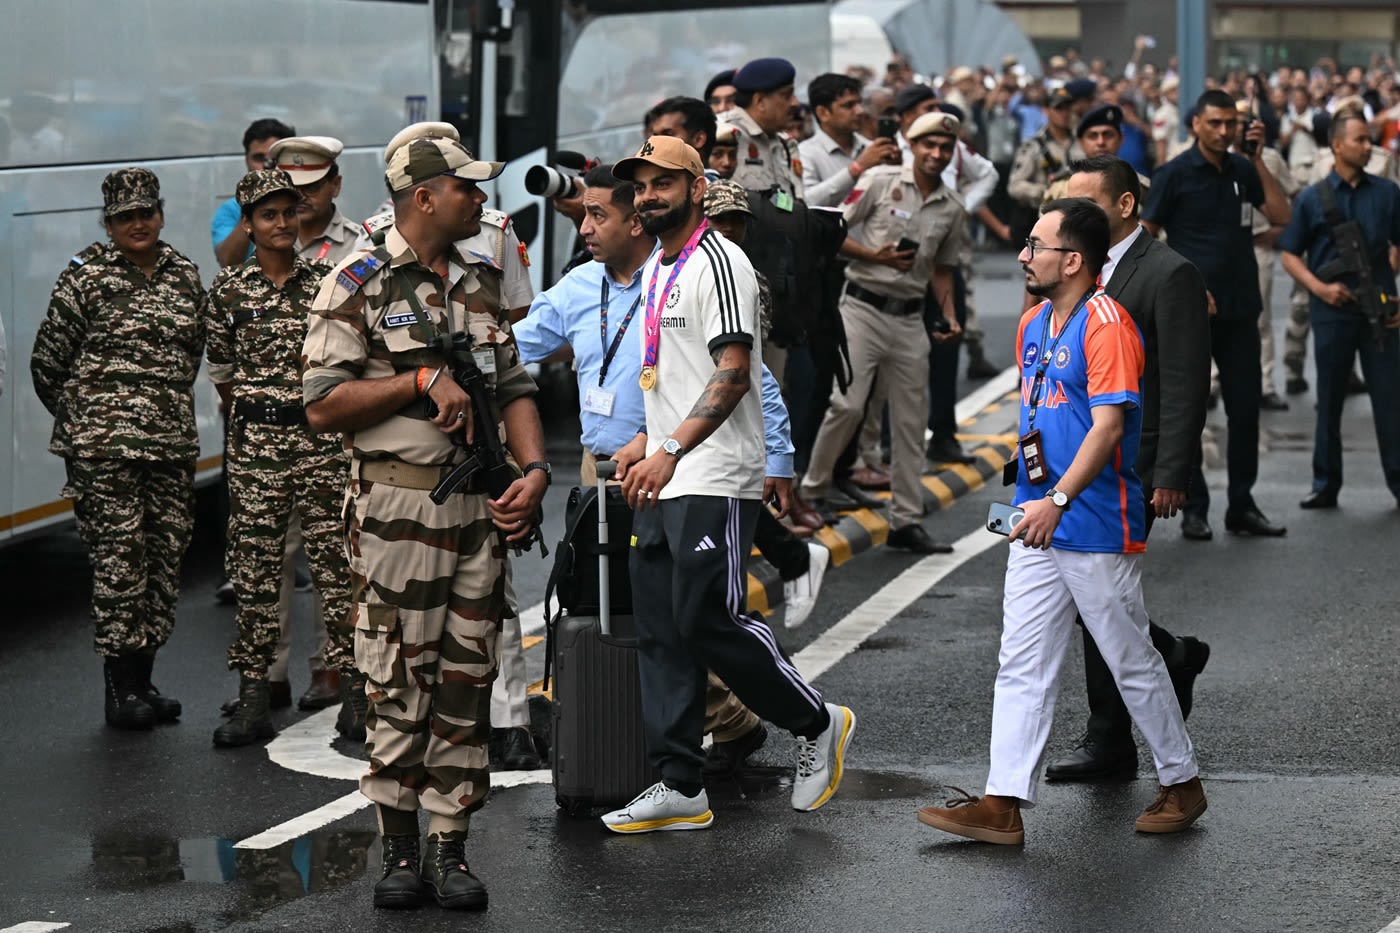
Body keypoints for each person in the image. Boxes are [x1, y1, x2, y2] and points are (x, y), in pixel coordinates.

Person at [302, 125, 549, 910]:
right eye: (469, 187)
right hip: (398, 508)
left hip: (478, 506)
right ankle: (399, 849)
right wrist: (416, 382)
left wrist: (536, 471)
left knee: (467, 677)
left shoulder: (479, 280)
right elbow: (321, 403)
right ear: (424, 196)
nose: (481, 198)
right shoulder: (358, 280)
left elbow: (513, 387)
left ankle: (452, 849)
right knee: (398, 675)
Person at [917, 199, 1206, 845]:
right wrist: (1026, 498)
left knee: (1128, 655)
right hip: (1039, 518)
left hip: (1094, 521)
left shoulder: (1107, 325)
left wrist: (1059, 500)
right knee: (1021, 658)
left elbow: (1107, 427)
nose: (1022, 254)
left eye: (1035, 244)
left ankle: (1182, 781)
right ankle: (1003, 801)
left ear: (1072, 260)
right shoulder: (1034, 323)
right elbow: (1037, 417)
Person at [599, 136, 855, 833]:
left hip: (711, 473)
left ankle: (817, 720)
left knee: (707, 618)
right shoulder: (660, 265)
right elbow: (672, 376)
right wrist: (644, 440)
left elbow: (734, 370)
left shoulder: (720, 260)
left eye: (662, 183)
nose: (648, 195)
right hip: (664, 471)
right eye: (641, 185)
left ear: (696, 186)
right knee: (660, 629)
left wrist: (672, 448)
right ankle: (680, 781)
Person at [1045, 156, 1214, 781]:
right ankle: (1169, 656)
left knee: (1102, 601)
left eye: (1084, 206)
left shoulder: (1169, 274)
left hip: (1133, 466)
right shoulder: (1073, 272)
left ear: (1123, 206)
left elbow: (1183, 379)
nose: (1072, 219)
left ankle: (1110, 741)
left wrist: (1173, 471)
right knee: (1099, 601)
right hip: (1076, 465)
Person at [30, 168, 206, 730]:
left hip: (170, 445)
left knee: (164, 558)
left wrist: (157, 410)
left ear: (160, 213)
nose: (138, 223)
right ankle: (119, 688)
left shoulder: (184, 275)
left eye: (146, 212)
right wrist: (92, 423)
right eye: (125, 216)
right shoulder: (83, 278)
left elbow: (192, 355)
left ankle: (145, 679)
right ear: (109, 223)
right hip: (103, 453)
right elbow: (48, 364)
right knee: (119, 564)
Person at [203, 170, 359, 748]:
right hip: (256, 454)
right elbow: (223, 375)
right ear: (248, 223)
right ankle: (253, 699)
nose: (281, 223)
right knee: (257, 573)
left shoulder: (326, 283)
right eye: (268, 215)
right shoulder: (226, 292)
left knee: (337, 571)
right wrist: (260, 419)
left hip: (321, 447)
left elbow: (347, 363)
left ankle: (356, 696)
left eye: (289, 213)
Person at [798, 112, 965, 555]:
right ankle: (812, 490)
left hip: (911, 318)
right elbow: (831, 232)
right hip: (862, 307)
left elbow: (943, 269)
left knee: (911, 424)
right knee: (847, 405)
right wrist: (877, 256)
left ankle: (906, 521)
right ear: (912, 144)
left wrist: (947, 313)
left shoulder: (952, 206)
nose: (936, 154)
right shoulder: (877, 179)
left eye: (945, 148)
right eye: (928, 145)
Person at [1142, 89, 1292, 541]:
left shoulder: (1243, 169)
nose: (1225, 131)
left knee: (1245, 412)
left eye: (1231, 123)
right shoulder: (1173, 174)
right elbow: (1145, 237)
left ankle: (1242, 505)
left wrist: (1259, 158)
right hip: (1190, 313)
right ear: (1196, 125)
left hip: (1242, 308)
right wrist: (1183, 286)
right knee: (1188, 411)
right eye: (1215, 124)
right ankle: (1194, 505)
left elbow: (1282, 213)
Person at [1279, 109, 1400, 509]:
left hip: (1381, 310)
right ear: (1336, 145)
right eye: (1361, 140)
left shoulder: (1387, 192)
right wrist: (1320, 289)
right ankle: (1325, 483)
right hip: (1332, 310)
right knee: (1329, 399)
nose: (1369, 147)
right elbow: (1290, 254)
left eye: (1370, 140)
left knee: (1390, 399)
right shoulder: (1314, 198)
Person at [798, 72, 899, 208]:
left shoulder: (872, 149)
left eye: (859, 103)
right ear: (823, 113)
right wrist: (856, 169)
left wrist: (896, 167)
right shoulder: (805, 153)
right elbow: (807, 202)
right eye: (848, 105)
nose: (859, 111)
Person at [268, 135, 367, 265]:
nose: (300, 197)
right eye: (291, 188)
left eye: (311, 187)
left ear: (336, 185)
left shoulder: (359, 243)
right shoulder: (268, 238)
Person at [719, 57, 804, 201]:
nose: (795, 103)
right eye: (787, 95)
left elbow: (790, 203)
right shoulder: (723, 134)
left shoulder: (784, 143)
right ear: (760, 102)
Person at [213, 119, 295, 268]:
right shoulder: (230, 210)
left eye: (273, 159)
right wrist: (251, 207)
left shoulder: (302, 203)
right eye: (259, 158)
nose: (266, 166)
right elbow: (228, 261)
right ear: (246, 160)